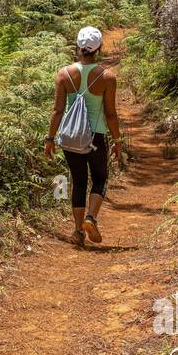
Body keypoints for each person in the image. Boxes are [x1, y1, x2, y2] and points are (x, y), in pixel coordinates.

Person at [45, 26, 122, 247]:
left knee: (78, 181)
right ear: (99, 49)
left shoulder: (63, 74)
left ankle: (78, 232)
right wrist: (117, 141)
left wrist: (50, 139)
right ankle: (91, 218)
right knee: (99, 179)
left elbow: (57, 111)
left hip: (70, 137)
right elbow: (110, 113)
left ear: (77, 47)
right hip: (95, 137)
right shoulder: (107, 77)